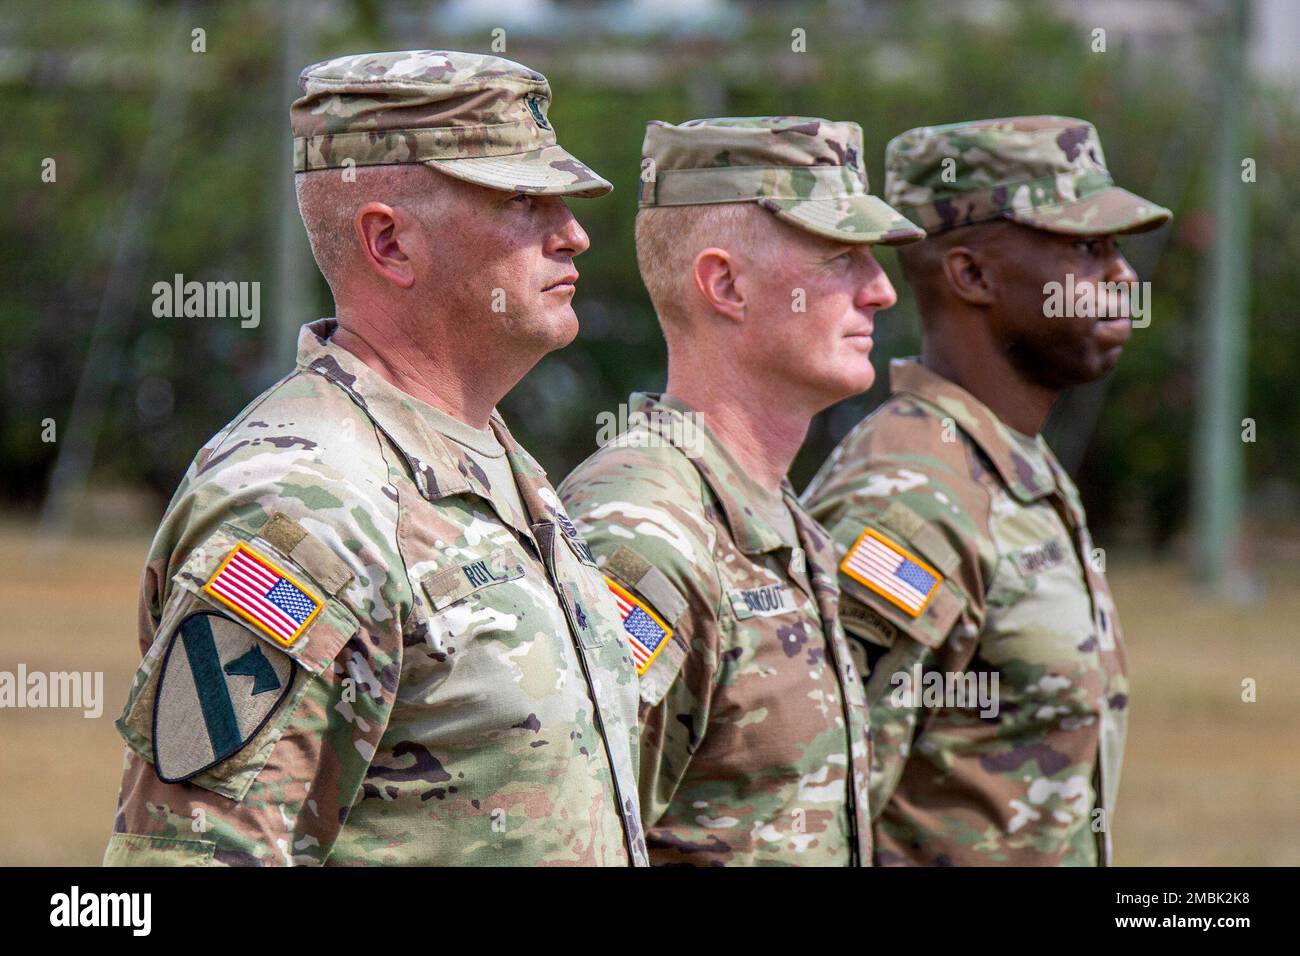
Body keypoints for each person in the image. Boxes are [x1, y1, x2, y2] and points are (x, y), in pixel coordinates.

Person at [104, 50, 647, 866]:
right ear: (391, 243)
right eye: (524, 199)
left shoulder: (499, 463)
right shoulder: (297, 503)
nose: (573, 233)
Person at [802, 116, 1172, 866]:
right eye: (1087, 250)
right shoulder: (906, 502)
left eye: (1118, 249)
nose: (1123, 280)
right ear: (972, 276)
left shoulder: (1006, 463)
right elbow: (820, 810)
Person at [560, 116, 924, 865]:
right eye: (840, 256)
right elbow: (579, 836)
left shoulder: (774, 514)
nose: (881, 289)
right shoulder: (645, 531)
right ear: (725, 284)